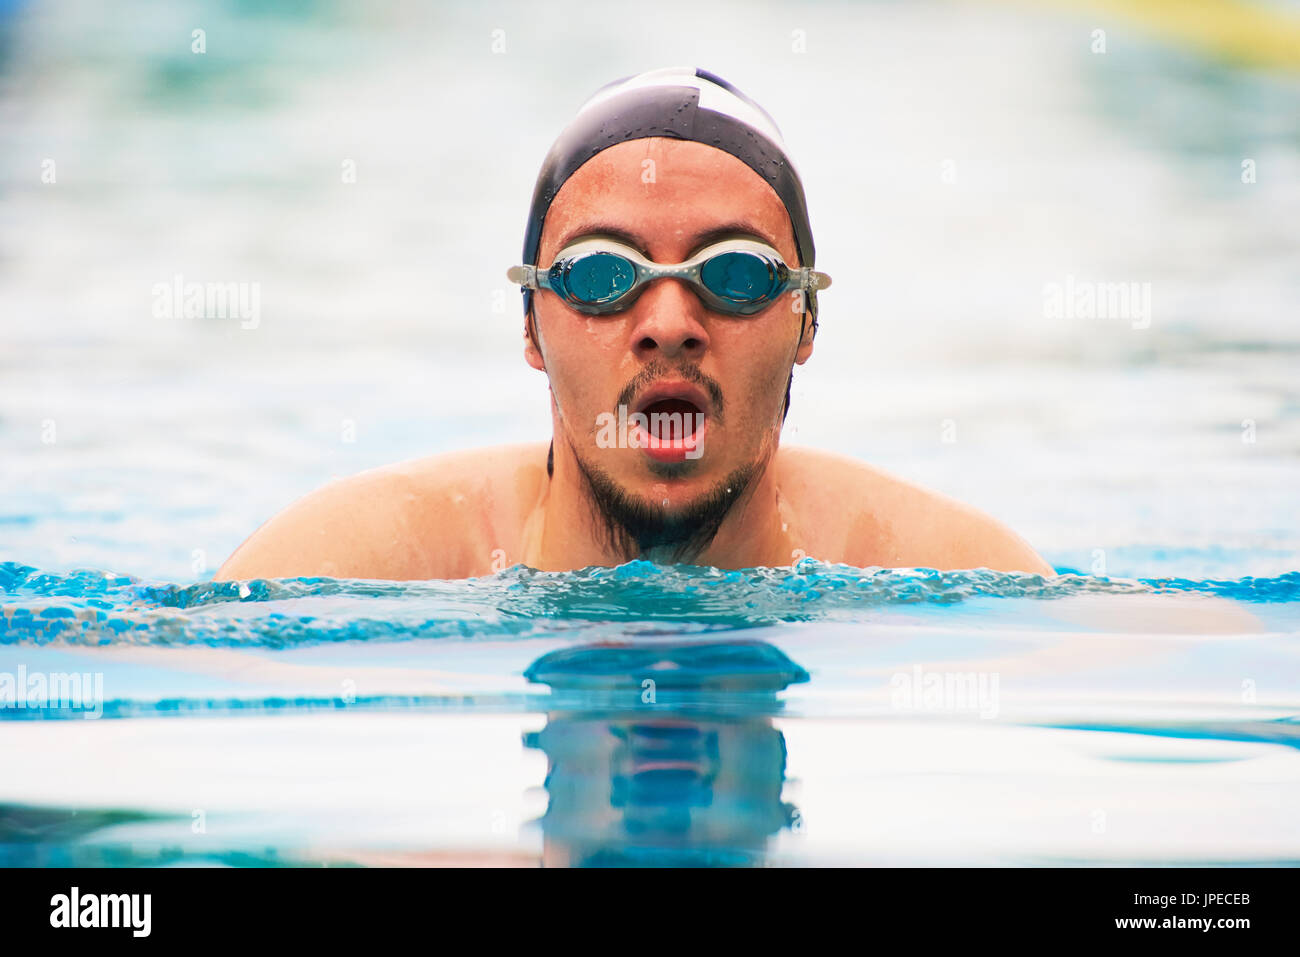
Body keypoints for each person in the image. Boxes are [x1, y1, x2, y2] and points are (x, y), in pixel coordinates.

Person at [217, 67, 1052, 582]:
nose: (668, 323)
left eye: (734, 273)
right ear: (531, 326)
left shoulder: (950, 569)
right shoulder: (362, 561)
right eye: (603, 274)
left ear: (806, 320)